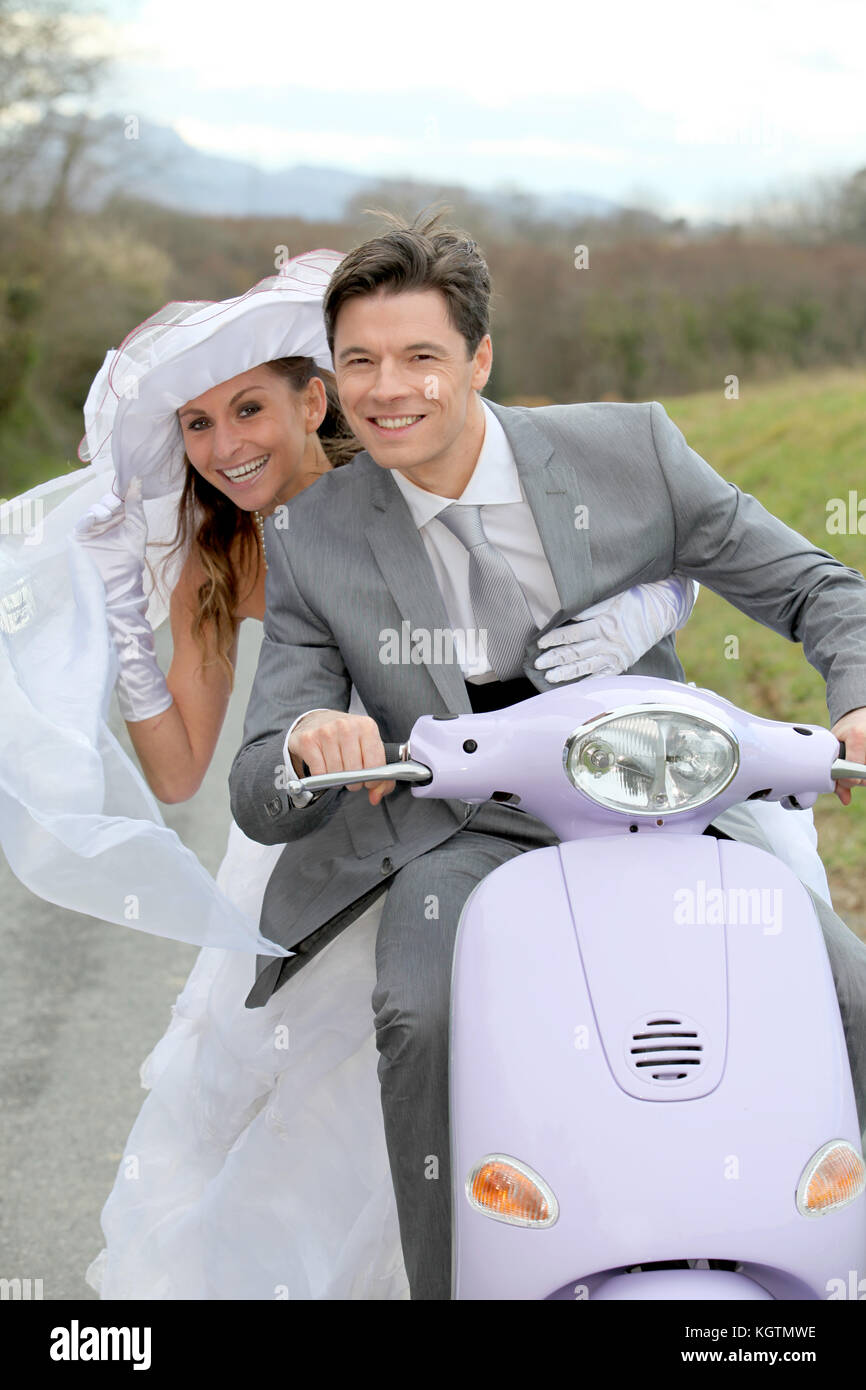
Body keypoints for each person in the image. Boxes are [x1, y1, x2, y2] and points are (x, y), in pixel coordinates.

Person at [0, 251, 700, 1298]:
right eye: (195, 426)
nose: (226, 445)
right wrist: (127, 645)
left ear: (312, 397)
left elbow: (606, 531)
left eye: (247, 409)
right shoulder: (217, 557)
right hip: (326, 836)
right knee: (328, 1111)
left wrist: (659, 600)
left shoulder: (412, 466)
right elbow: (183, 768)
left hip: (495, 798)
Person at [228, 210, 866, 1301]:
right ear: (332, 379)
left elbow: (820, 592)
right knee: (418, 1015)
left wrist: (856, 708)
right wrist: (302, 739)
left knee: (842, 989)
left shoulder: (630, 450)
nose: (392, 387)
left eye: (422, 356)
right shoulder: (313, 534)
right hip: (458, 832)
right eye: (361, 362)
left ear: (478, 358)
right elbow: (256, 783)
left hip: (658, 798)